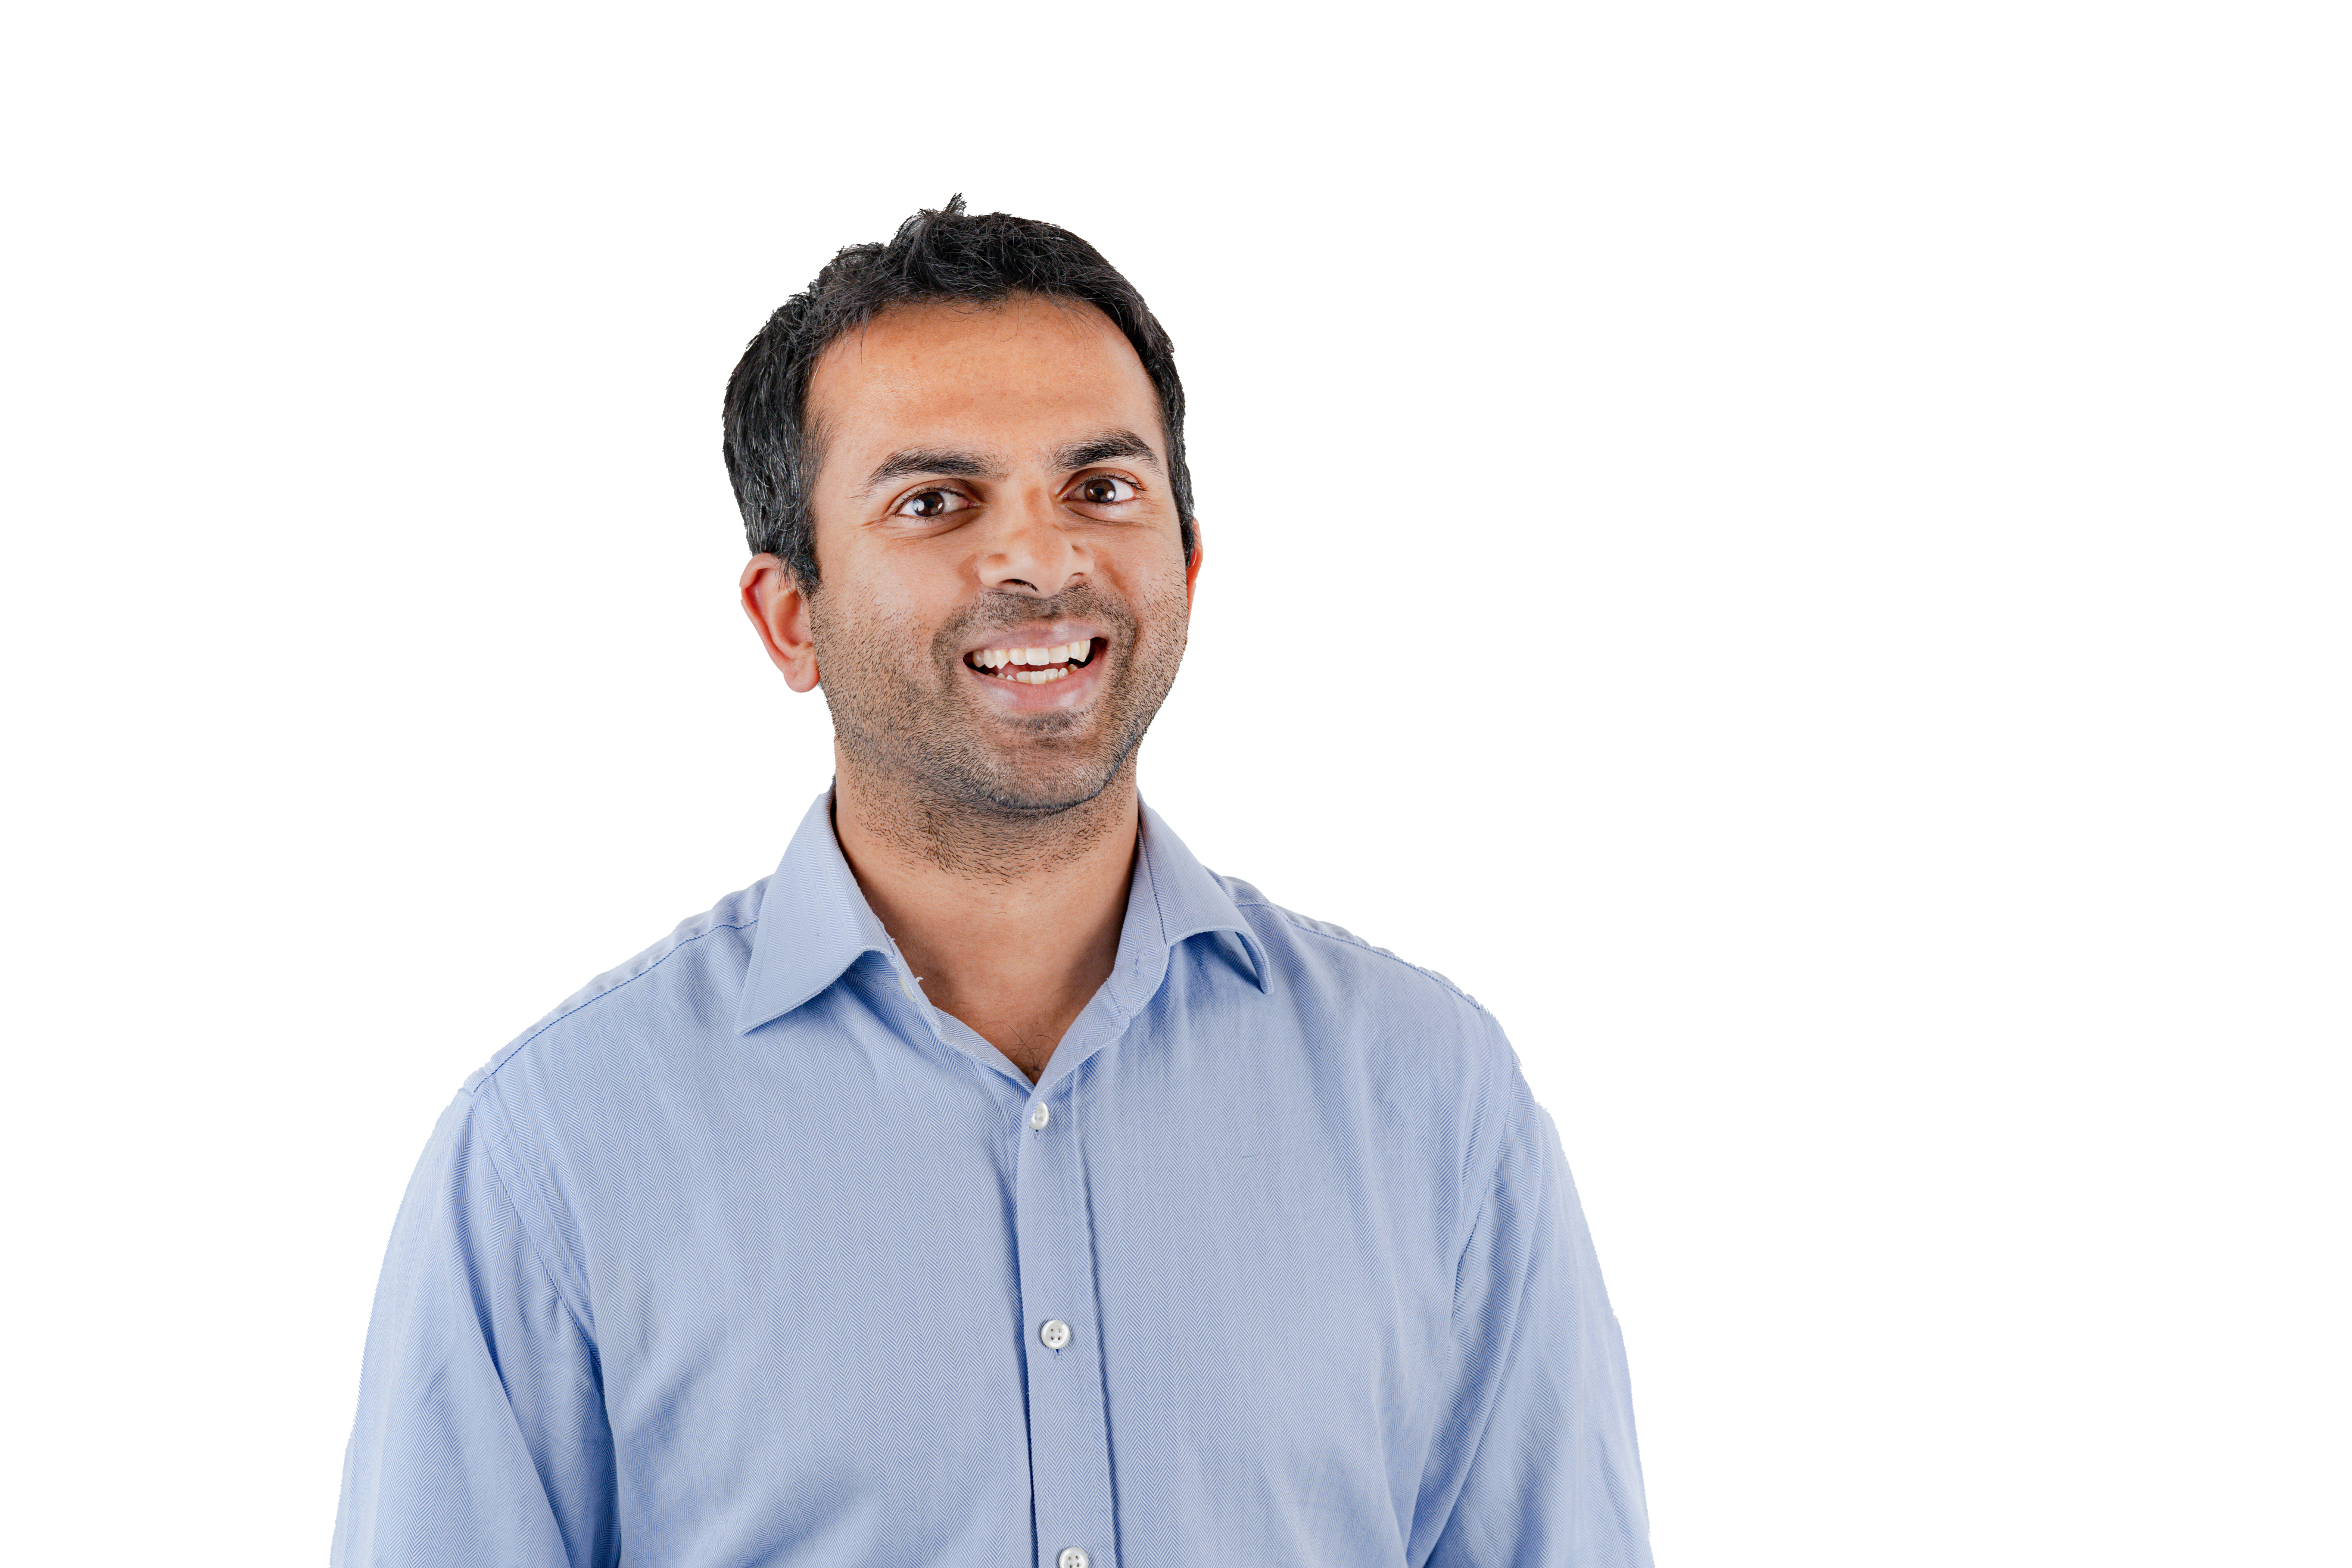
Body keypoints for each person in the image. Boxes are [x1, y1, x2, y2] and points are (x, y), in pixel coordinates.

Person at [332, 197, 1652, 1568]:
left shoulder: (1433, 1099)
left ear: (1188, 566)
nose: (1038, 557)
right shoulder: (555, 1149)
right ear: (790, 618)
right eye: (934, 502)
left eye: (1102, 489)